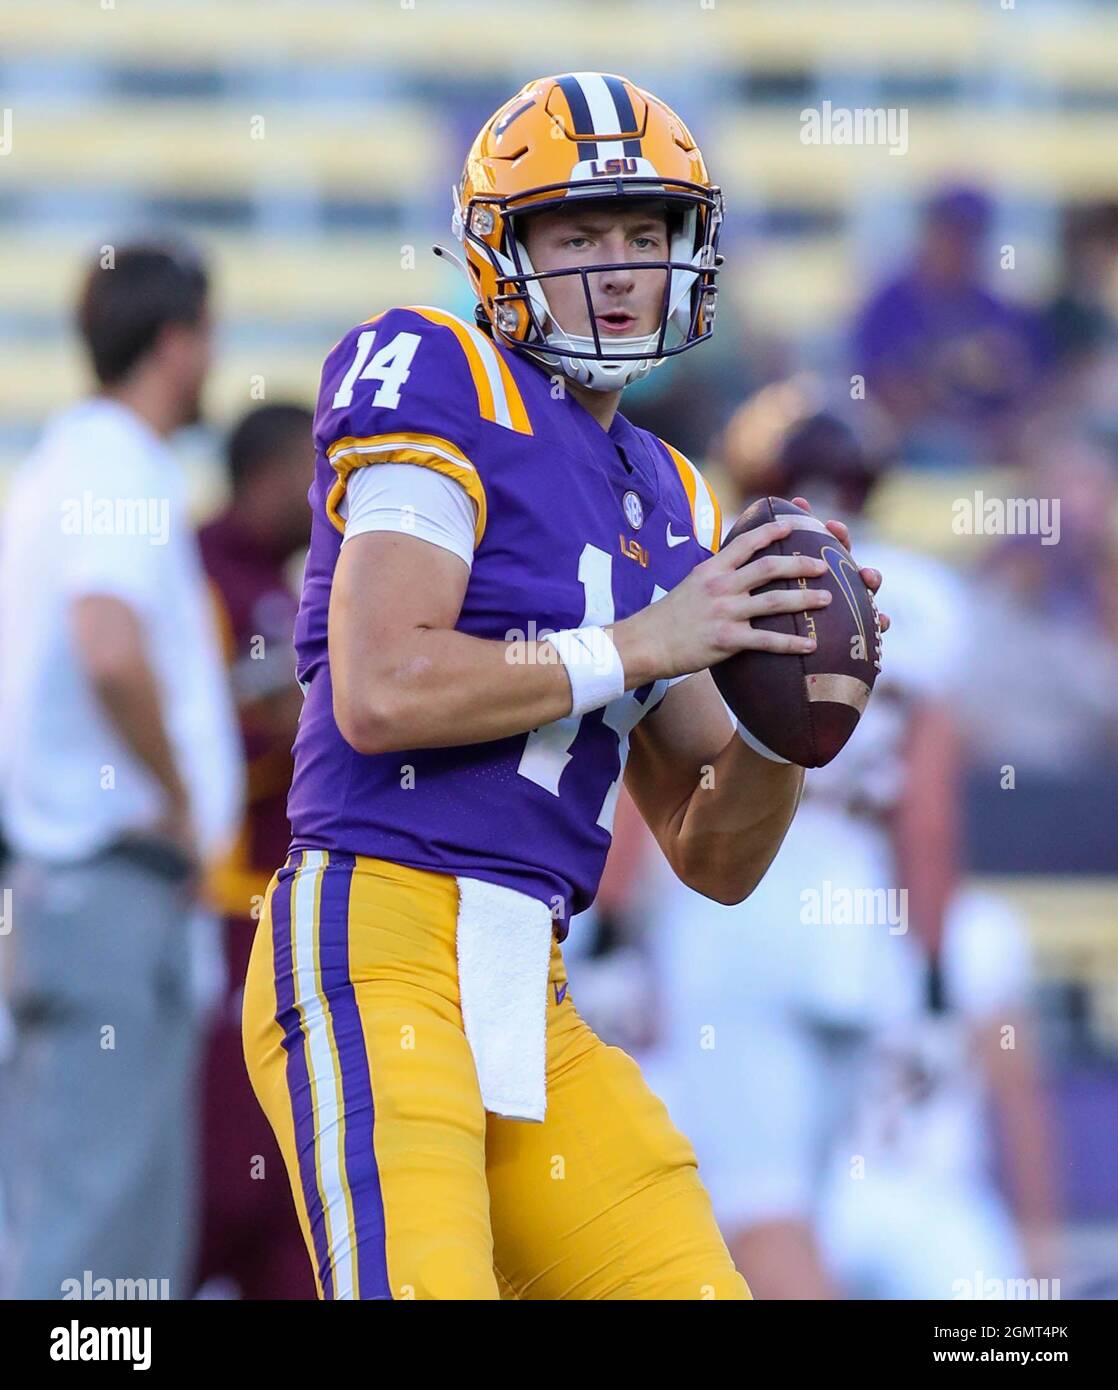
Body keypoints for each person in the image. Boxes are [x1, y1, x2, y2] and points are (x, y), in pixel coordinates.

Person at [240, 71, 888, 1300]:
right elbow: (381, 687)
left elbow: (713, 853)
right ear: (502, 251)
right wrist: (647, 639)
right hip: (375, 939)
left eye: (641, 235)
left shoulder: (674, 491)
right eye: (576, 233)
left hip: (529, 978)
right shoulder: (437, 372)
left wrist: (790, 718)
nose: (615, 265)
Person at [641, 383, 953, 1299]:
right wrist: (933, 979)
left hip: (747, 895)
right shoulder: (921, 596)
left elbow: (661, 749)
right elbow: (927, 815)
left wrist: (618, 936)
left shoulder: (719, 576)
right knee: (803, 1206)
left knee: (759, 1212)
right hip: (860, 912)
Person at [0, 243, 243, 1298]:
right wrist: (184, 799)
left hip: (84, 889)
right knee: (95, 1248)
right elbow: (107, 643)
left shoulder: (69, 463)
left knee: (108, 1239)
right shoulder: (115, 466)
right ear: (175, 341)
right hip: (107, 883)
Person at [193, 404, 316, 1299]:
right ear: (272, 473)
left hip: (272, 899)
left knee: (281, 1171)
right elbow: (210, 726)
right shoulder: (195, 569)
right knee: (230, 1169)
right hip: (224, 896)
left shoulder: (271, 582)